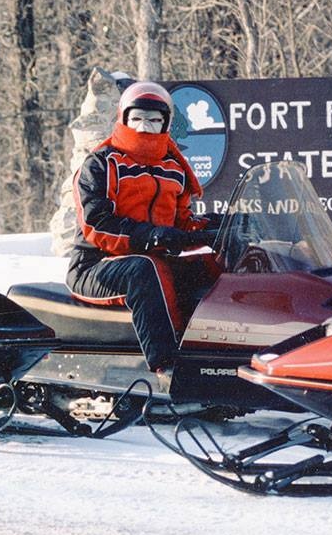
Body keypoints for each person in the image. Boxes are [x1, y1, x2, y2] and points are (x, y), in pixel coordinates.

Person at [67, 80, 220, 373]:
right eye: (136, 118)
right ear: (124, 118)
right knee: (145, 269)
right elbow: (97, 225)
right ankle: (168, 367)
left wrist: (216, 226)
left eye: (153, 119)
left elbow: (181, 222)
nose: (143, 126)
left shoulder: (173, 168)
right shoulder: (101, 164)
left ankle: (223, 356)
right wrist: (150, 236)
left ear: (165, 123)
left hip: (154, 260)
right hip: (95, 266)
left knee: (214, 266)